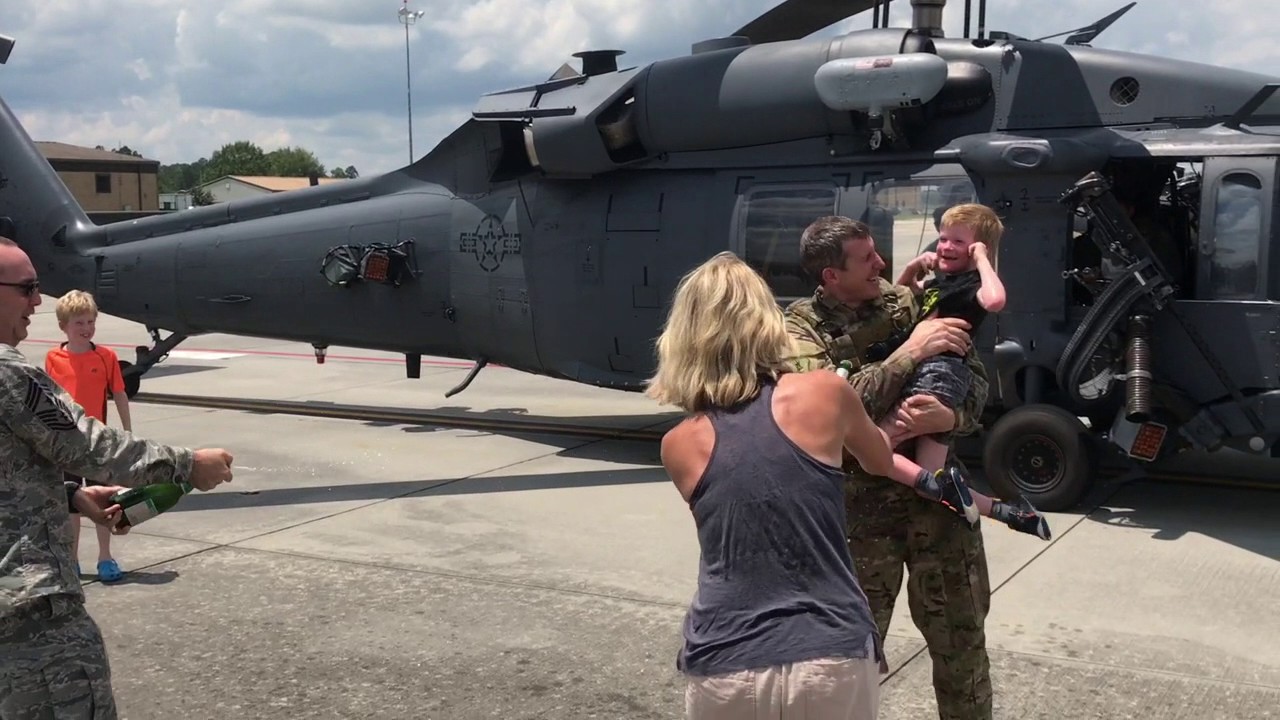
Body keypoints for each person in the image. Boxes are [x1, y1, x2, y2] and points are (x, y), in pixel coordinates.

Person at [648, 251, 894, 720]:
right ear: (766, 322)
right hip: (829, 649)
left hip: (724, 659)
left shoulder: (678, 445)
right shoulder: (825, 391)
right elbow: (879, 459)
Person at [0, 237, 235, 720]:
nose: (37, 302)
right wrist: (189, 465)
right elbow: (87, 444)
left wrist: (70, 496)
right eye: (27, 289)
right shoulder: (7, 374)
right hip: (29, 619)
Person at [780, 215, 994, 720]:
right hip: (858, 522)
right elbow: (827, 411)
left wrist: (953, 415)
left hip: (939, 511)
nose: (882, 263)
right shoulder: (800, 328)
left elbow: (974, 378)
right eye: (867, 258)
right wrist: (911, 351)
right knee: (845, 662)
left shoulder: (908, 302)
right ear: (831, 276)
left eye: (877, 252)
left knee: (962, 652)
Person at [885, 204, 1050, 540]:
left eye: (958, 242)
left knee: (872, 447)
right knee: (929, 478)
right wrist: (914, 266)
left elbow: (995, 300)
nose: (945, 246)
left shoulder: (973, 283)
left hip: (937, 376)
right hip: (933, 374)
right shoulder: (943, 282)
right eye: (943, 239)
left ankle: (950, 485)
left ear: (977, 248)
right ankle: (1010, 511)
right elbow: (899, 297)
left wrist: (981, 260)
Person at [44, 289, 135, 582]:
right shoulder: (53, 358)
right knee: (73, 501)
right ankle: (71, 561)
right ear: (64, 326)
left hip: (97, 442)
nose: (86, 329)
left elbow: (119, 393)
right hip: (66, 443)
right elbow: (50, 400)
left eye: (90, 322)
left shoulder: (106, 357)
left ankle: (105, 557)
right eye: (78, 323)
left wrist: (127, 431)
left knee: (103, 502)